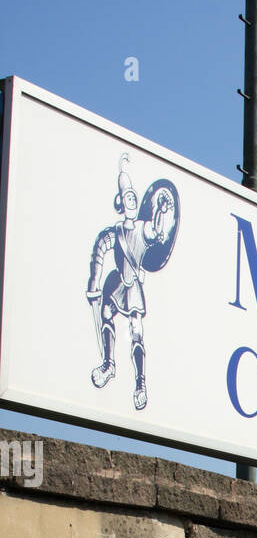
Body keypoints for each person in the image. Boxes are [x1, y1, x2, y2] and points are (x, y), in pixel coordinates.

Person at [86, 154, 175, 411]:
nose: (133, 200)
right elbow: (98, 254)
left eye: (134, 197)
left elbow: (157, 233)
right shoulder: (114, 232)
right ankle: (108, 364)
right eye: (128, 198)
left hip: (133, 285)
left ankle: (140, 383)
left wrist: (161, 210)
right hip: (117, 282)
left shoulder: (141, 228)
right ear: (120, 204)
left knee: (137, 331)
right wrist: (93, 285)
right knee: (106, 313)